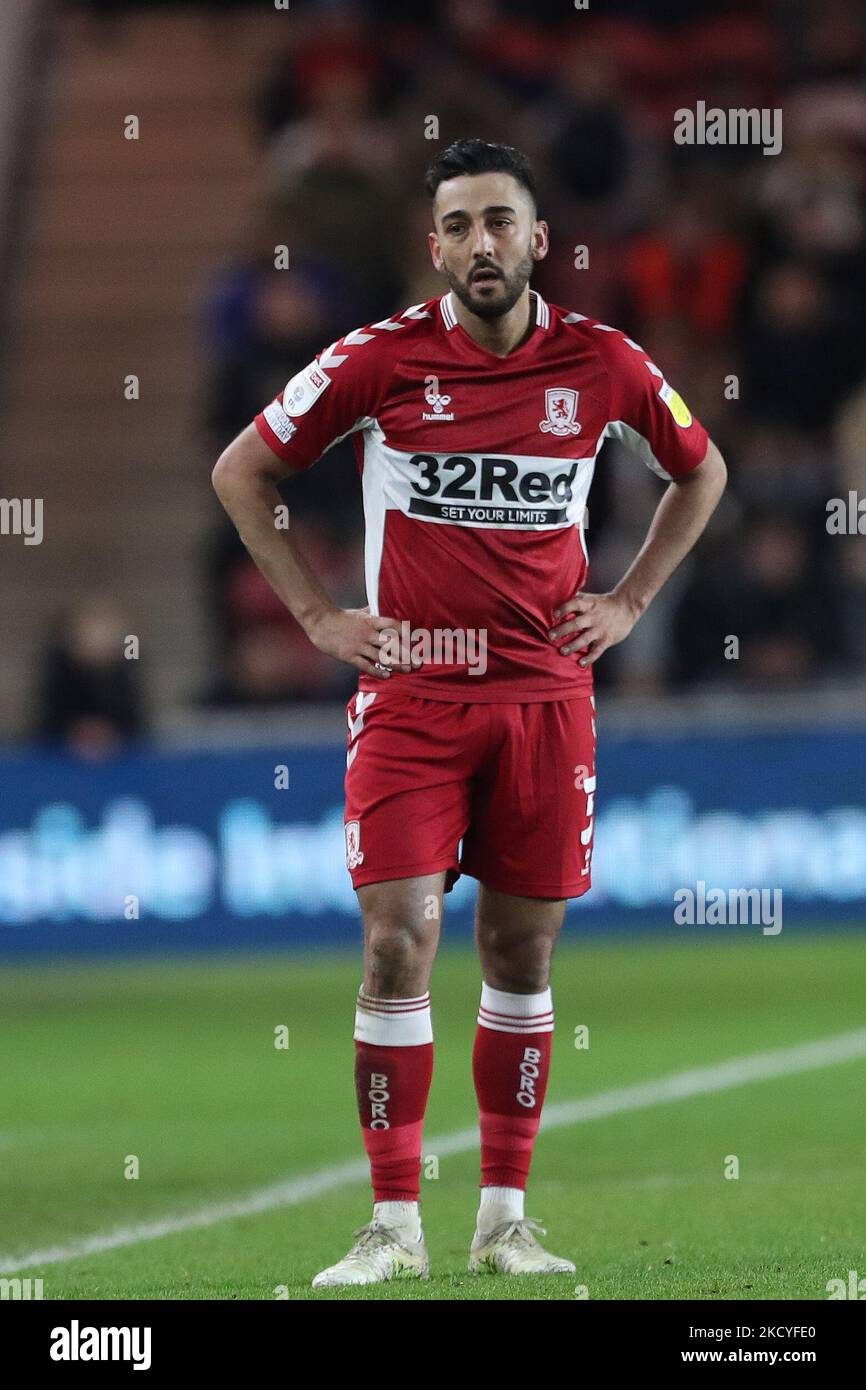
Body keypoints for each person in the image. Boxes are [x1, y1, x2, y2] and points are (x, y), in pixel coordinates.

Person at [212, 138, 727, 1287]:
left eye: (499, 221)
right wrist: (316, 617)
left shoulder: (600, 362)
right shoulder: (379, 360)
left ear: (537, 239)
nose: (478, 244)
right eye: (456, 226)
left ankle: (502, 1220)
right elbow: (241, 470)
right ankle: (392, 1225)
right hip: (411, 695)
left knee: (520, 950)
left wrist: (631, 598)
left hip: (546, 697)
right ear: (432, 245)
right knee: (397, 940)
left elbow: (702, 469)